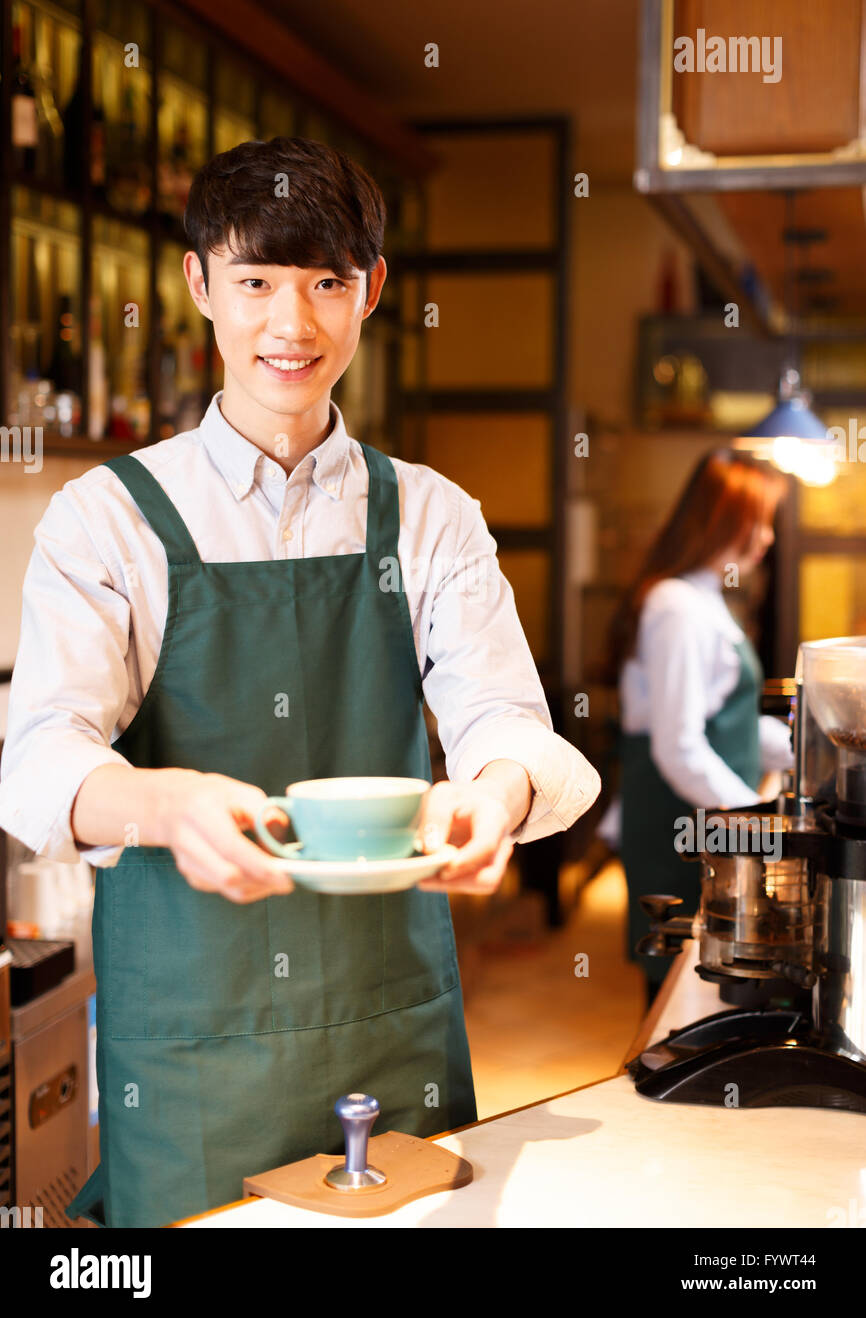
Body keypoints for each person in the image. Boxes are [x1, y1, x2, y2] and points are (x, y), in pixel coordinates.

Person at [0, 137, 600, 1228]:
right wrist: (164, 802)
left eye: (326, 281)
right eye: (257, 281)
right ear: (198, 285)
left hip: (393, 1023)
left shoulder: (427, 516)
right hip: (189, 1050)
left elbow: (509, 724)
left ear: (370, 291)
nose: (292, 323)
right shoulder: (108, 517)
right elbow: (39, 757)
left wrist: (493, 796)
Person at [601, 449, 792, 1008]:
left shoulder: (704, 600)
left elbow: (724, 726)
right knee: (678, 988)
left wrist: (807, 749)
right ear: (721, 520)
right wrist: (759, 827)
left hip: (702, 820)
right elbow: (680, 746)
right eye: (759, 521)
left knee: (704, 977)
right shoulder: (676, 606)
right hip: (675, 826)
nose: (768, 538)